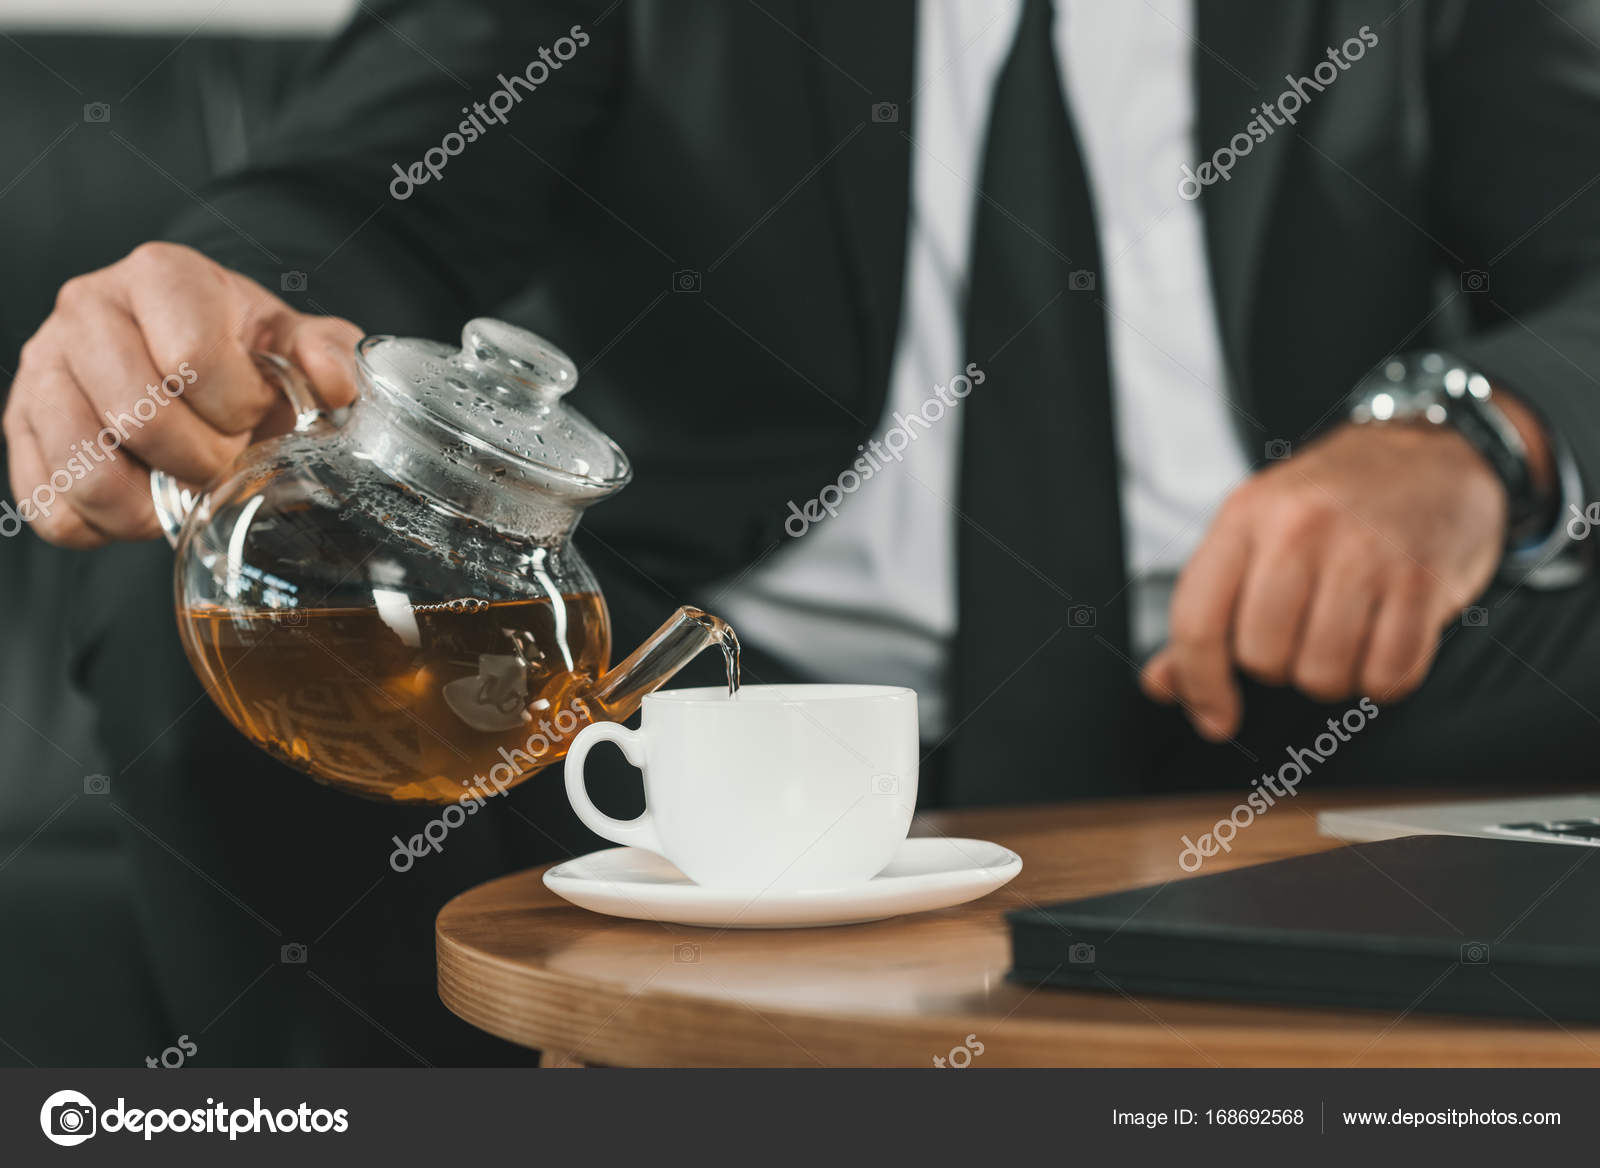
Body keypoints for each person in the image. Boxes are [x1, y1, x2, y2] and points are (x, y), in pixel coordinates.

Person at [7, 0, 1600, 1063]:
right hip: (707, 696)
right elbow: (361, 194)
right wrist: (207, 309)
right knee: (194, 600)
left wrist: (1478, 438)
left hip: (1287, 670)